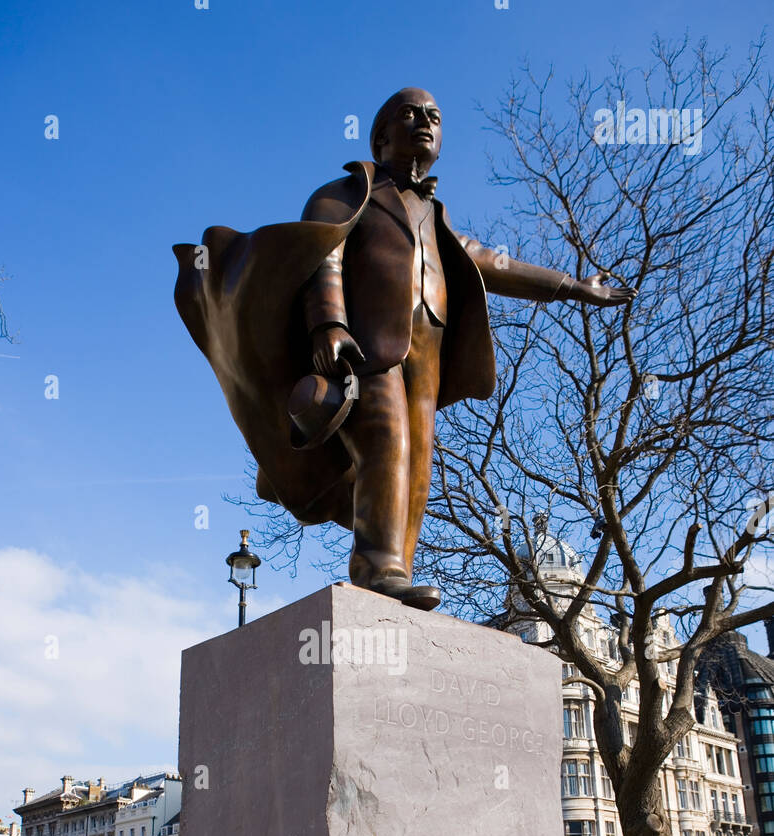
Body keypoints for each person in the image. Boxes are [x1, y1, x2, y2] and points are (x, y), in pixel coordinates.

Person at [174, 88, 635, 608]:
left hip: (428, 352)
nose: (424, 122)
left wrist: (576, 287)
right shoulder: (347, 193)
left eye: (434, 116)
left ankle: (397, 566)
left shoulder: (434, 215)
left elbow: (494, 265)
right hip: (366, 346)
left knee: (418, 460)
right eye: (410, 114)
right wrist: (328, 324)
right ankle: (377, 567)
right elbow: (321, 256)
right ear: (380, 136)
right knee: (385, 441)